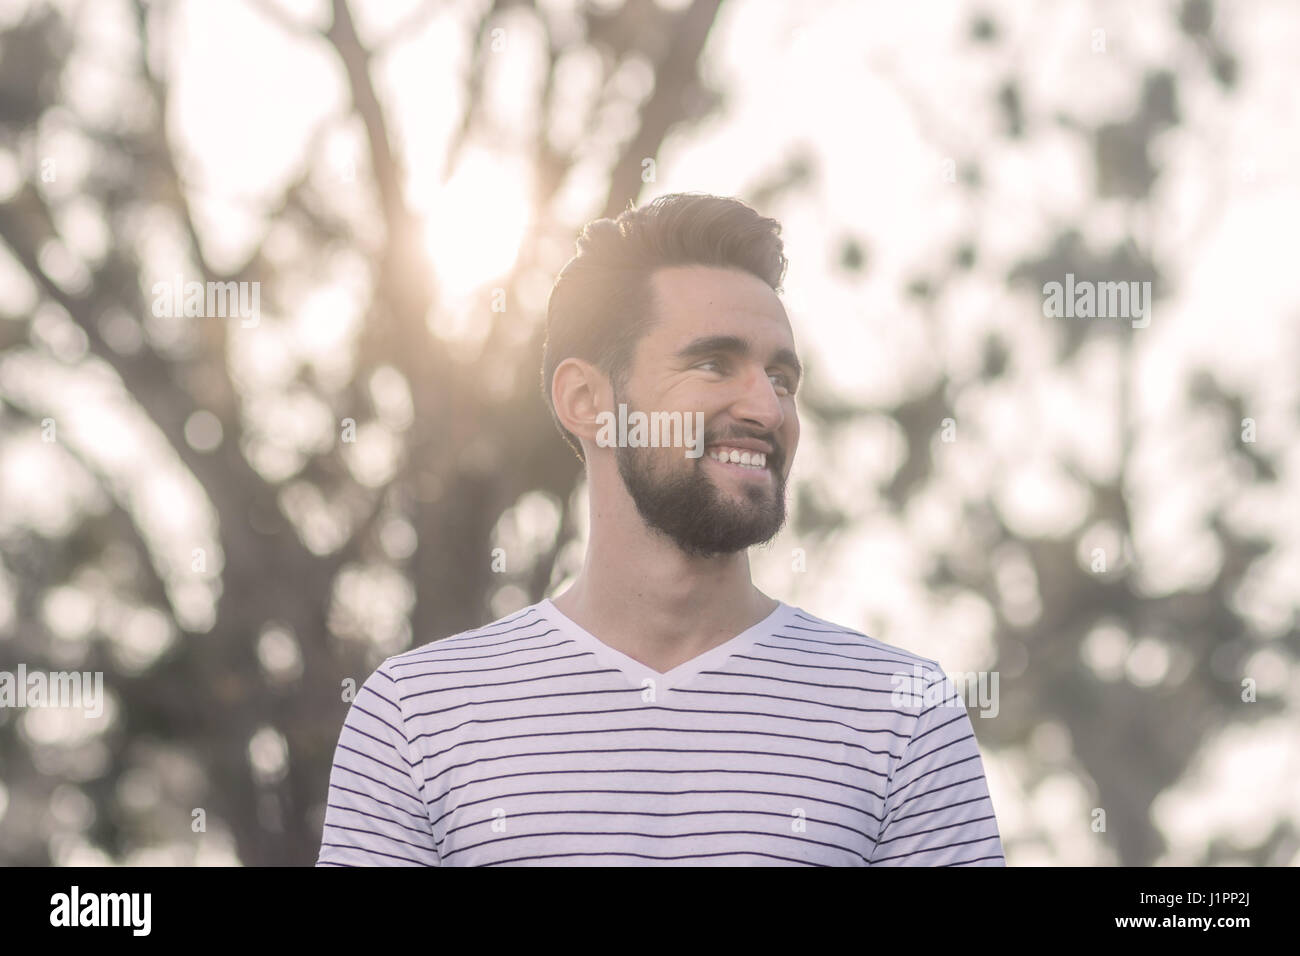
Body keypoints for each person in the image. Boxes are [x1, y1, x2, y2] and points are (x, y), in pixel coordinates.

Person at [316, 193, 1005, 866]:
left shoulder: (901, 716)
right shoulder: (417, 718)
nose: (767, 408)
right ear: (588, 402)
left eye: (782, 378)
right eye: (713, 364)